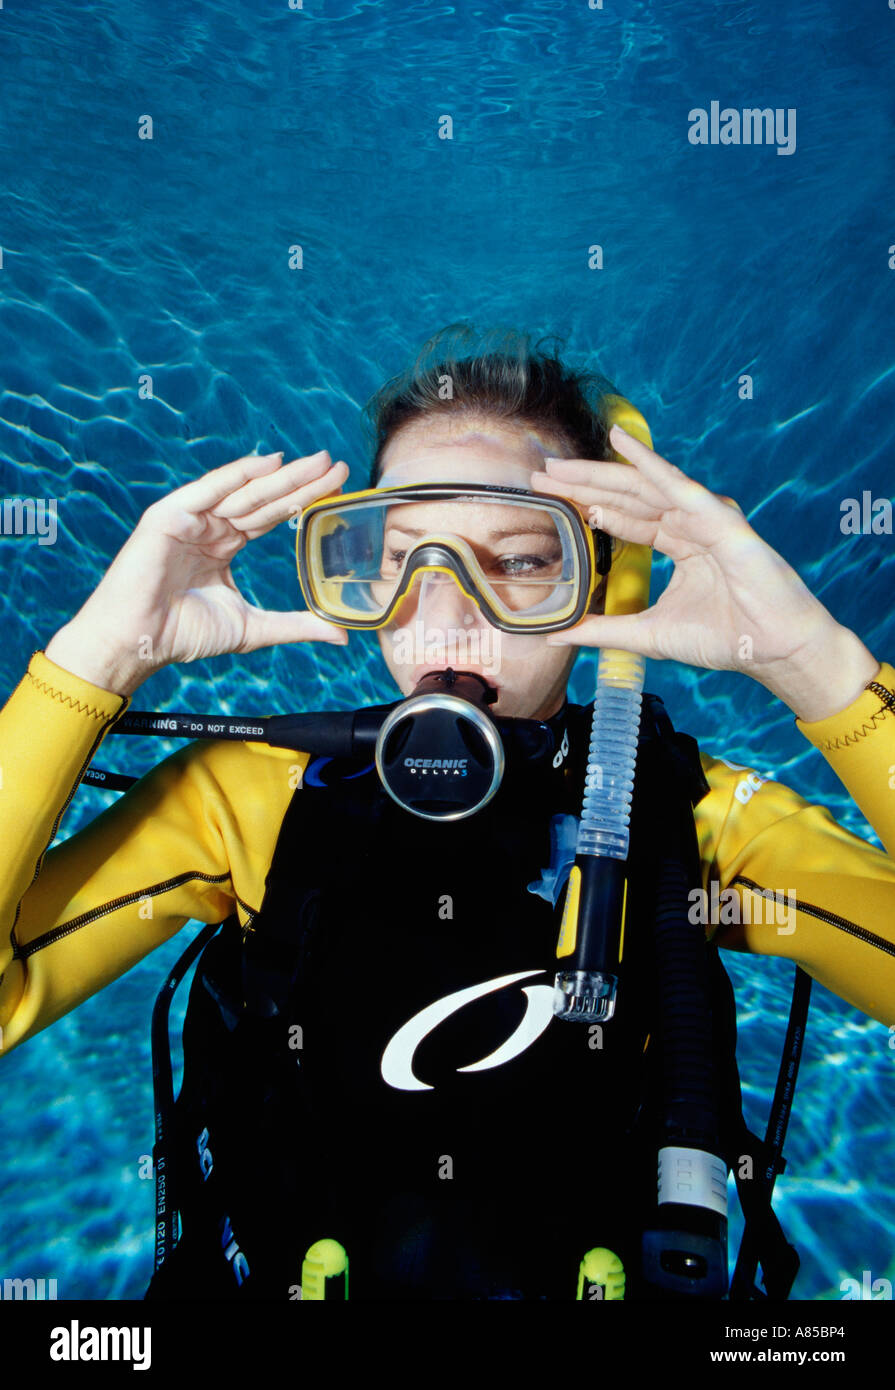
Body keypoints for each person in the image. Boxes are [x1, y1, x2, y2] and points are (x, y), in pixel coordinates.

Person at [1, 324, 894, 1302]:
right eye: (396, 562)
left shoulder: (680, 815)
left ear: (596, 576)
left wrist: (811, 661)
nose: (443, 616)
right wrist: (98, 657)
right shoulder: (249, 798)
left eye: (513, 562)